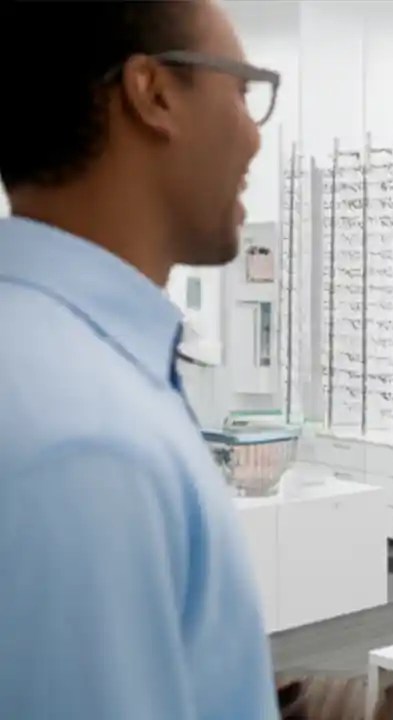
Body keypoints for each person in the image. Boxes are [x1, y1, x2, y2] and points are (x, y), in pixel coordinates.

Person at [0, 2, 281, 718]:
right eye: (241, 90)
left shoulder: (58, 365)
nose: (254, 136)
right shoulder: (86, 445)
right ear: (152, 93)